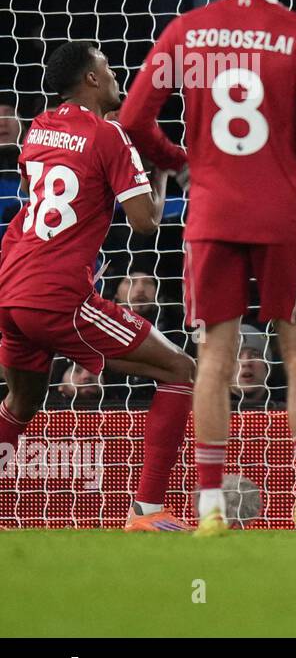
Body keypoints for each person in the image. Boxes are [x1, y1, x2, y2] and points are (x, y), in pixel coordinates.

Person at [119, 0, 296, 538]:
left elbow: (135, 119)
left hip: (213, 211)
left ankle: (211, 508)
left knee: (214, 356)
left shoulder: (186, 33)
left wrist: (182, 161)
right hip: (285, 213)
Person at [0, 42, 196, 531]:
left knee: (21, 403)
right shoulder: (109, 136)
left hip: (10, 286)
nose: (116, 78)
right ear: (90, 79)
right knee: (180, 368)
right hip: (57, 295)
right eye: (108, 70)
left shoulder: (40, 128)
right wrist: (164, 171)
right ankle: (147, 511)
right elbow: (145, 222)